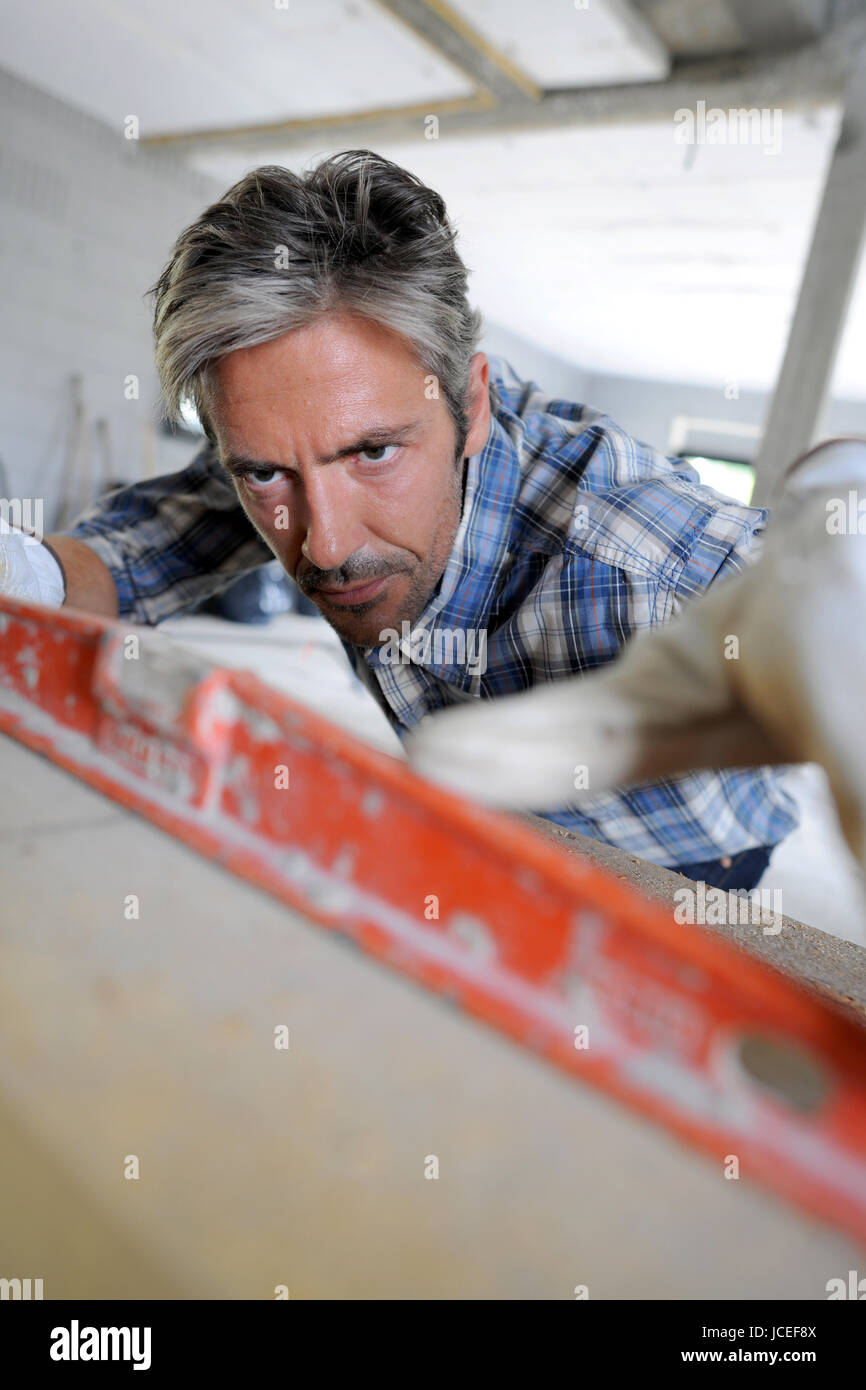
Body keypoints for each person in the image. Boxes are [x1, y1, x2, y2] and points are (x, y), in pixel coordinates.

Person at [1, 150, 799, 889]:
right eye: (264, 471)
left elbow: (775, 585)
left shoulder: (643, 555)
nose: (326, 544)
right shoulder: (303, 439)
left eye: (374, 453)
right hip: (473, 815)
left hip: (686, 854)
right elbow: (143, 553)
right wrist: (22, 574)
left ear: (473, 404)